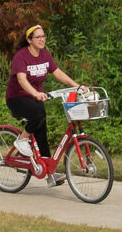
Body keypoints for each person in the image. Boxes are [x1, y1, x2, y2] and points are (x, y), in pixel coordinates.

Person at [6, 22, 81, 181]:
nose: (42, 39)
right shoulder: (21, 56)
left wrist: (77, 86)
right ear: (29, 40)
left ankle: (50, 173)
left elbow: (58, 73)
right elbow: (21, 79)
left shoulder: (45, 55)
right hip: (17, 98)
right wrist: (35, 93)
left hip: (35, 98)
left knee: (42, 131)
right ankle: (22, 140)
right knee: (38, 115)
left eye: (43, 36)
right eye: (38, 37)